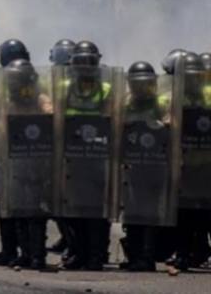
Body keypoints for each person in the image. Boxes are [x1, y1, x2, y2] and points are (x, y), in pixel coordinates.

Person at [0, 59, 53, 269]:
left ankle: (37, 255)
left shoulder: (41, 99)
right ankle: (26, 253)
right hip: (15, 162)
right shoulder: (8, 103)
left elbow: (51, 117)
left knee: (35, 212)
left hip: (37, 161)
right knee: (18, 209)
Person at [60, 41, 113, 271]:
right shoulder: (62, 87)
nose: (84, 68)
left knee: (96, 210)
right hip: (71, 157)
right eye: (80, 63)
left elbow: (113, 119)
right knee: (72, 209)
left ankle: (97, 255)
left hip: (97, 156)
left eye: (88, 63)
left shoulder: (108, 89)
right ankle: (78, 251)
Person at [119, 61, 170, 272]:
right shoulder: (125, 104)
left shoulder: (161, 103)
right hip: (133, 166)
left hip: (155, 165)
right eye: (137, 84)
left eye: (146, 84)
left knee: (149, 212)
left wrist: (159, 124)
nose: (141, 88)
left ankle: (147, 257)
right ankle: (135, 255)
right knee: (132, 212)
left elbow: (171, 123)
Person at [0, 38, 30, 265]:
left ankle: (11, 250)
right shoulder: (39, 89)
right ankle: (31, 253)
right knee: (29, 206)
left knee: (7, 206)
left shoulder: (2, 92)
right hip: (35, 156)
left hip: (7, 158)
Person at [172, 52, 211, 271]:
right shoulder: (172, 95)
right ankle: (184, 255)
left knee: (205, 213)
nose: (192, 80)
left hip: (207, 164)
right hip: (183, 164)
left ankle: (199, 252)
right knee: (184, 214)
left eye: (196, 76)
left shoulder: (208, 94)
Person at [46, 38, 75, 255]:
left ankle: (73, 241)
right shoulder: (53, 83)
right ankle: (68, 239)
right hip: (62, 146)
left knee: (63, 199)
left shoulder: (78, 84)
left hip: (72, 147)